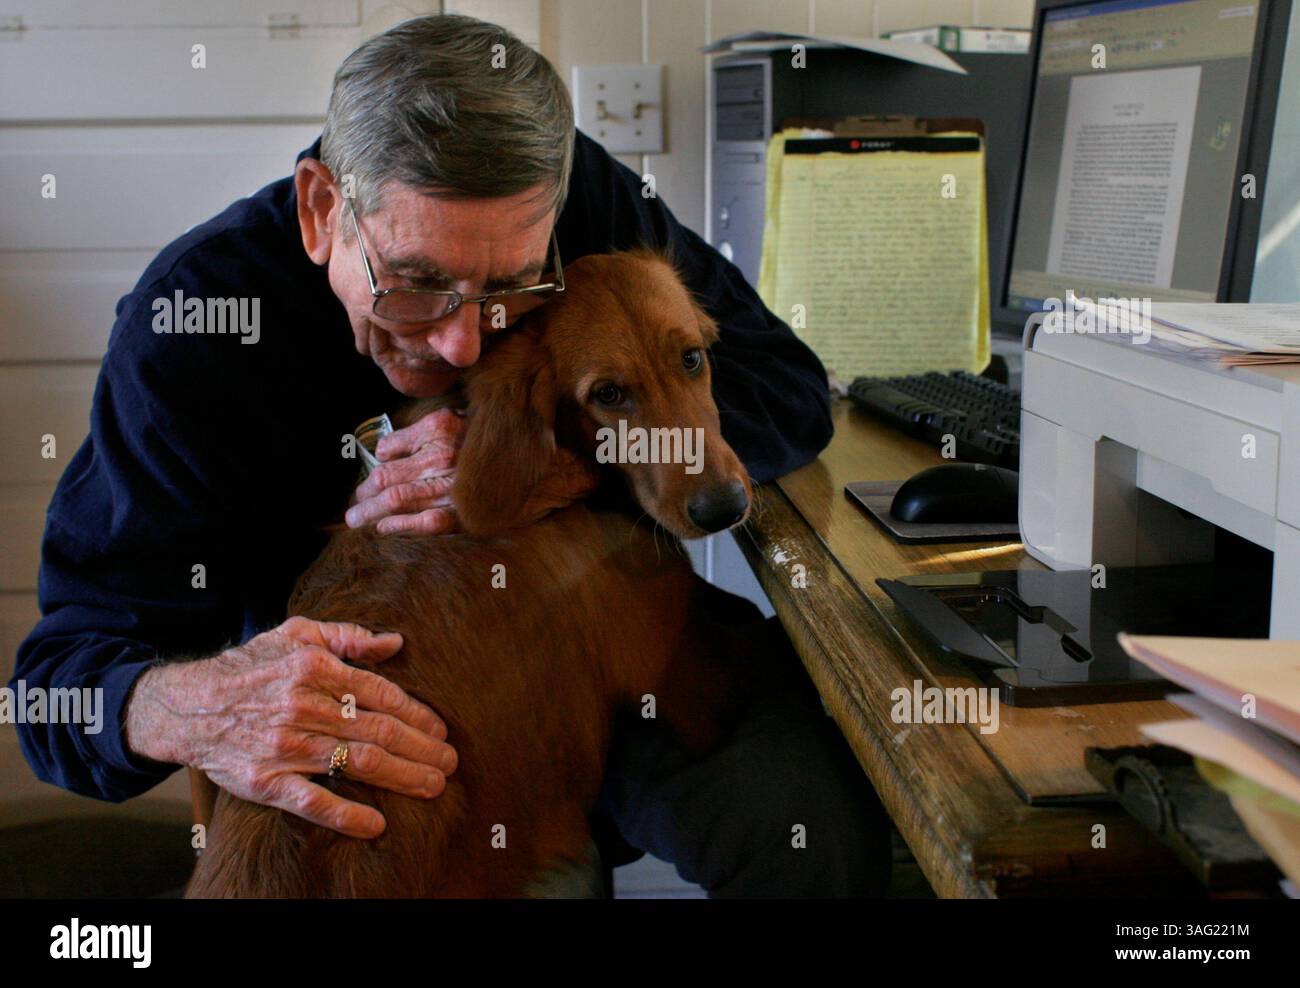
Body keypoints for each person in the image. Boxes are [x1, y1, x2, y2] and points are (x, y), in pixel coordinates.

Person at [13, 13, 889, 896]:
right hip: (383, 739)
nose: (465, 345)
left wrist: (548, 458)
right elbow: (55, 689)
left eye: (512, 287)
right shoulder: (195, 325)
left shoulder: (573, 201)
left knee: (808, 822)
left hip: (611, 667)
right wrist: (188, 706)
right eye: (419, 283)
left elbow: (784, 386)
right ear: (322, 213)